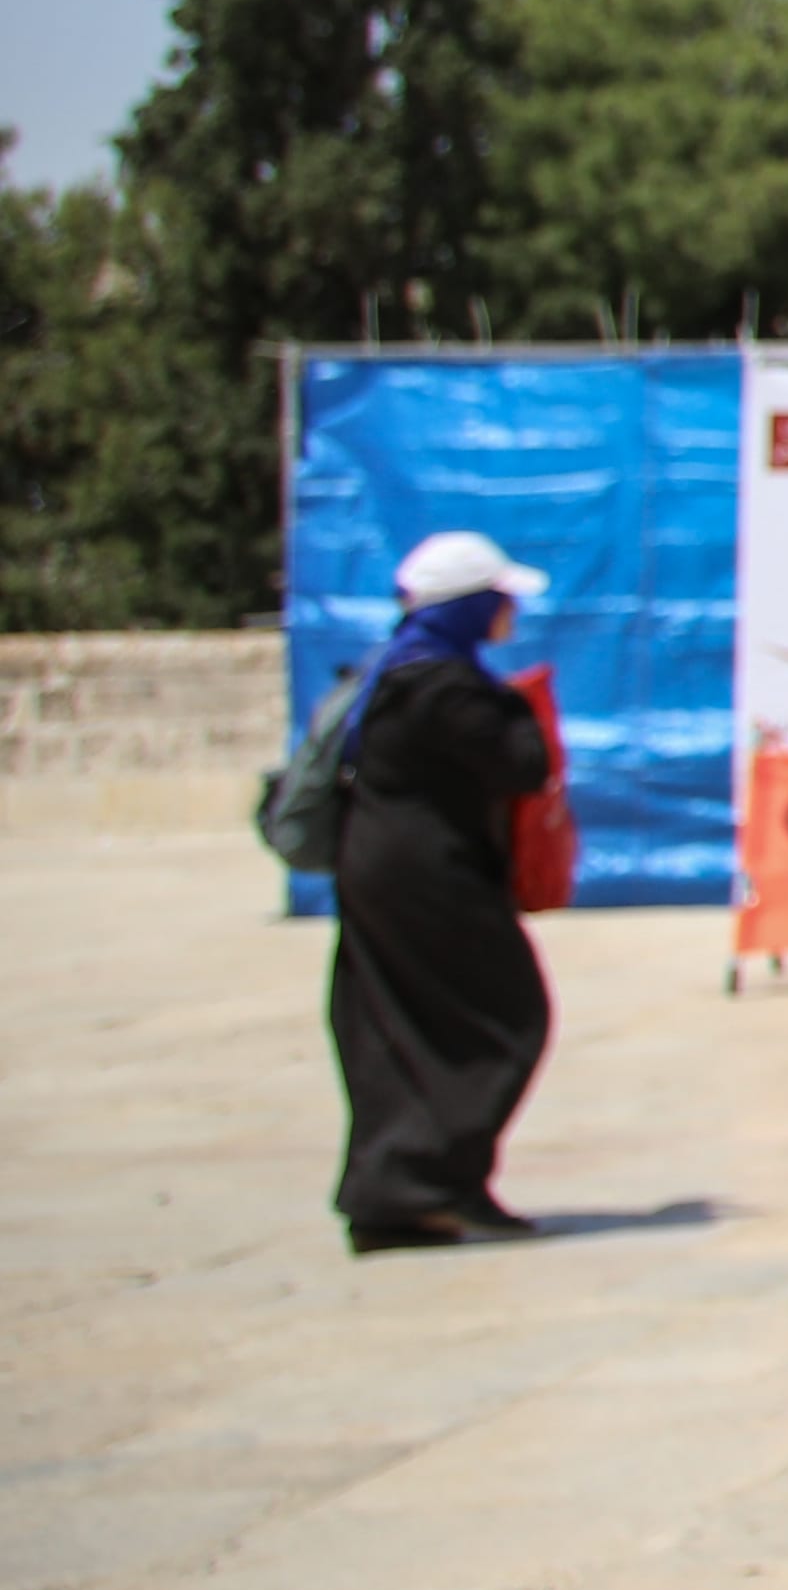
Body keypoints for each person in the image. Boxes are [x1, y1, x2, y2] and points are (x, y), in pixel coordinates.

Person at [328, 529, 557, 1255]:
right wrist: (522, 707)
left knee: (398, 1025)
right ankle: (431, 1183)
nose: (509, 614)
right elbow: (520, 764)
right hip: (430, 874)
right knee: (502, 1013)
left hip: (381, 866)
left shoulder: (395, 673)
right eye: (500, 601)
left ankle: (396, 1191)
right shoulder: (445, 687)